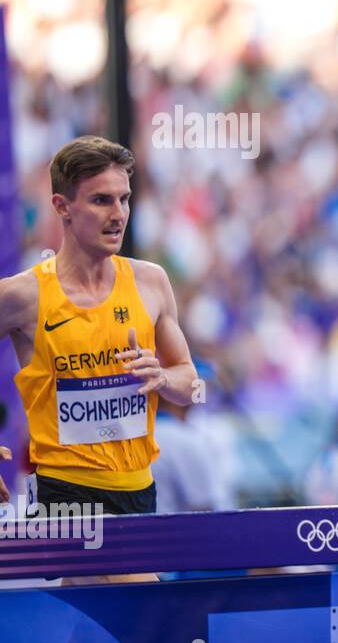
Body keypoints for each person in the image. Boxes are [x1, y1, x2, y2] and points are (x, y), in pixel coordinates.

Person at [0, 136, 199, 583]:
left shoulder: (150, 282)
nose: (118, 214)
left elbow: (190, 384)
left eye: (125, 199)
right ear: (62, 205)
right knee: (141, 618)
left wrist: (163, 378)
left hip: (139, 491)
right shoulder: (22, 295)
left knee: (100, 638)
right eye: (101, 200)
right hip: (65, 495)